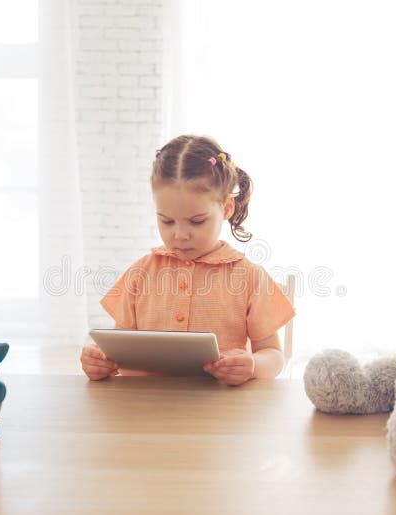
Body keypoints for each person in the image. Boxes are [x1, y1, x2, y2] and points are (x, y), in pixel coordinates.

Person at [80, 135, 295, 386]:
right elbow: (116, 349)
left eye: (197, 221)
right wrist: (100, 362)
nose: (180, 235)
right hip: (140, 411)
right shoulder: (141, 273)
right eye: (167, 221)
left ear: (226, 208)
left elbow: (275, 357)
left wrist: (253, 365)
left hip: (221, 412)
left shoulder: (249, 277)